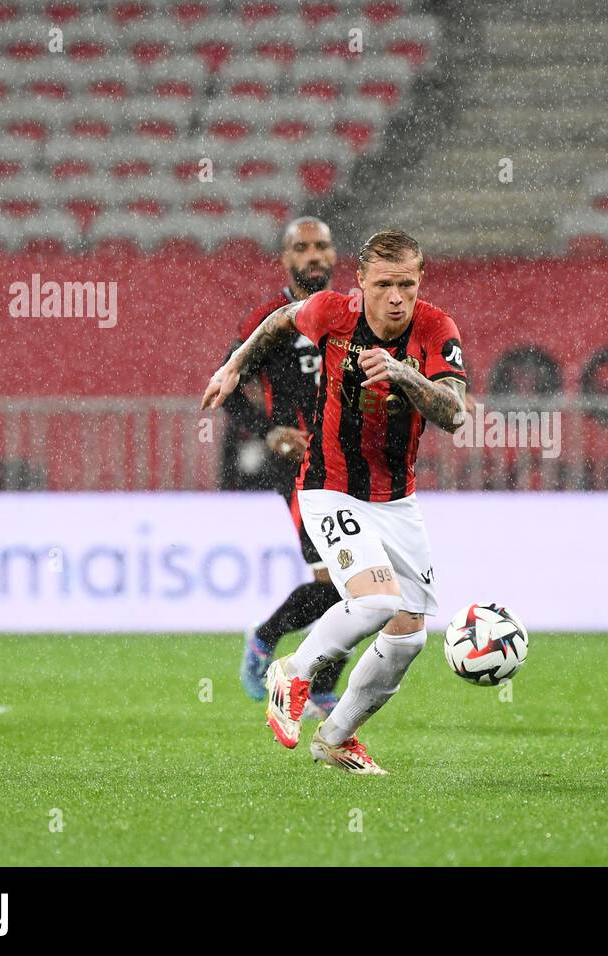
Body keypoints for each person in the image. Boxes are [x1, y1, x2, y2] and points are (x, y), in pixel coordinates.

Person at [203, 230, 468, 775]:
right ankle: (291, 670)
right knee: (372, 602)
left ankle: (338, 736)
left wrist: (404, 375)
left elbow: (455, 413)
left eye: (408, 285)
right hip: (328, 486)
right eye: (385, 285)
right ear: (362, 284)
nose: (397, 297)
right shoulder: (331, 313)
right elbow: (279, 321)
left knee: (409, 634)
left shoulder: (436, 329)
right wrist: (234, 368)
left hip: (397, 500)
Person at [231, 217, 346, 718]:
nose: (313, 256)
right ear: (285, 259)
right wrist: (268, 432)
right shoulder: (270, 318)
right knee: (339, 583)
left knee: (362, 587)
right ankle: (265, 640)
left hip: (352, 466)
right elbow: (230, 383)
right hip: (302, 469)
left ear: (335, 255)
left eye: (321, 246)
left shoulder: (351, 316)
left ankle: (320, 685)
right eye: (302, 248)